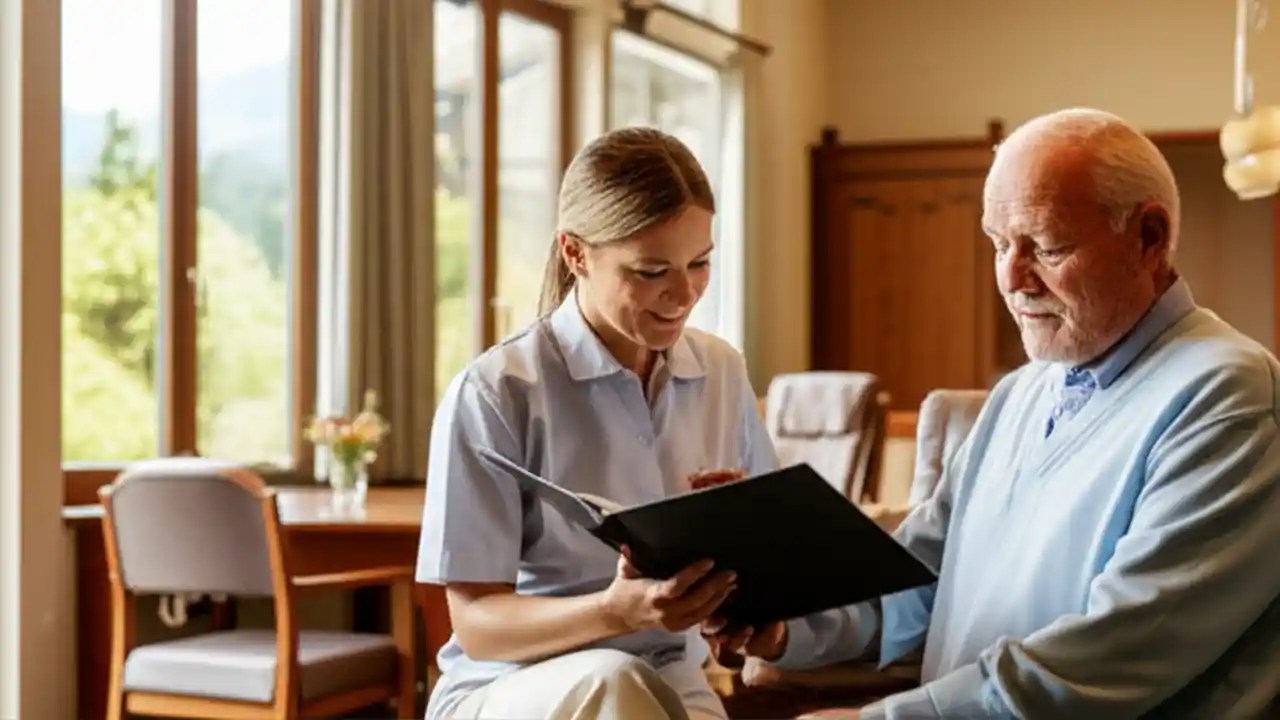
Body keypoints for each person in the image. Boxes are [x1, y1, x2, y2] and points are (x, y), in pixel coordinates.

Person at [708, 108, 1280, 719]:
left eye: (1047, 246)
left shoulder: (1226, 394)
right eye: (999, 244)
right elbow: (915, 578)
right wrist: (788, 625)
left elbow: (1114, 654)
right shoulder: (1022, 392)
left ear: (1148, 238)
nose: (1011, 278)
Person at [416, 126, 777, 720]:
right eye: (651, 270)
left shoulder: (721, 373)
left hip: (672, 678)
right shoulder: (496, 392)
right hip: (509, 685)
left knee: (636, 686)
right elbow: (478, 625)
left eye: (700, 263)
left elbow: (769, 557)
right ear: (575, 253)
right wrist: (618, 612)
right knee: (615, 682)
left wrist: (740, 592)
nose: (684, 293)